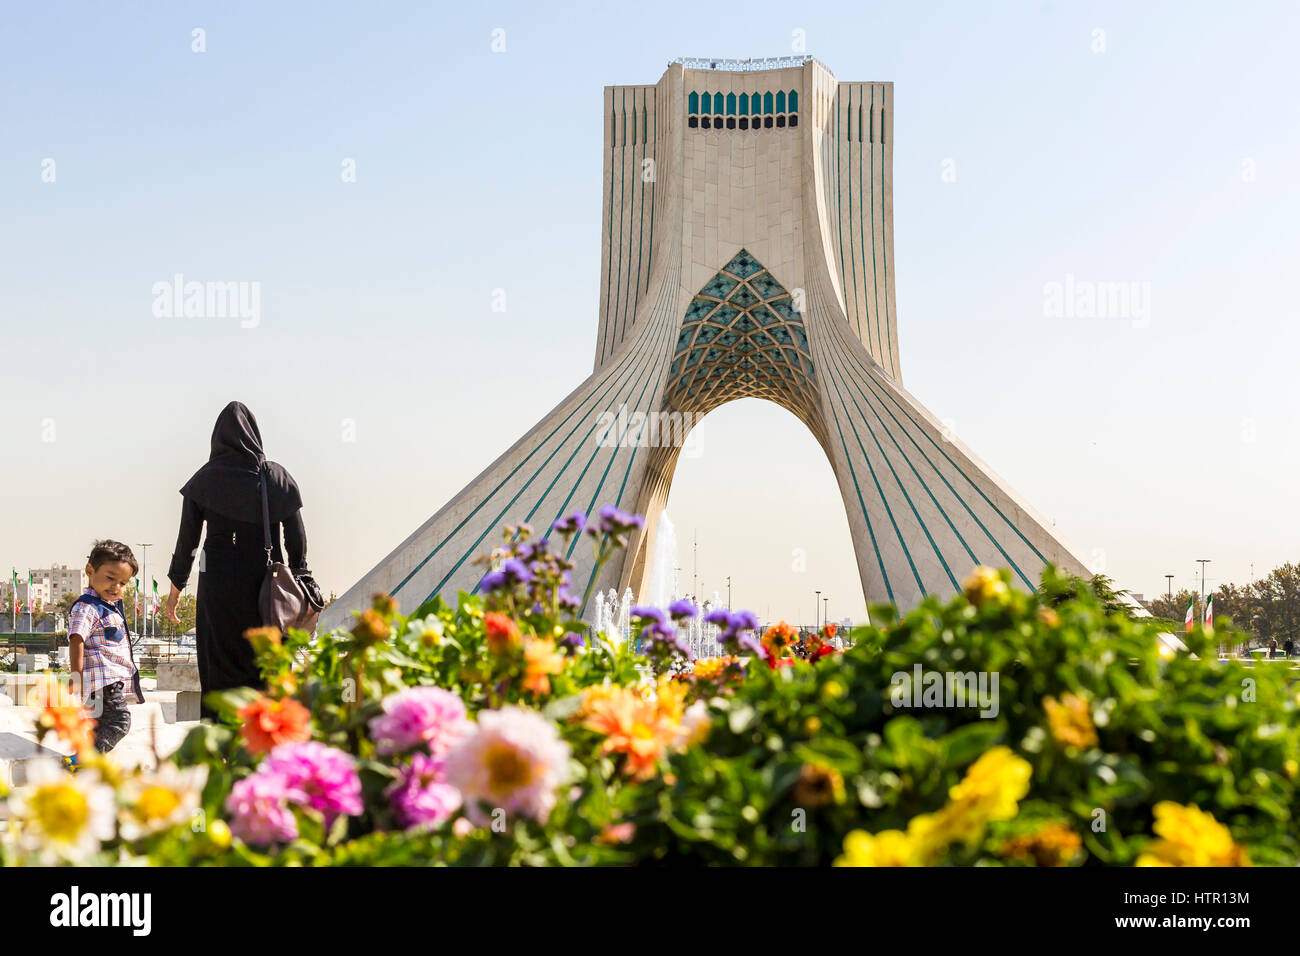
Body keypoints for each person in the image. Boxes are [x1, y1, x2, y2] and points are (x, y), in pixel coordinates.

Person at [163, 401, 311, 720]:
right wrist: (299, 577)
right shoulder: (273, 476)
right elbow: (296, 536)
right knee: (266, 662)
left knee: (218, 663)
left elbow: (187, 542)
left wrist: (175, 591)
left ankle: (220, 738)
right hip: (265, 585)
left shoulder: (204, 480)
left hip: (217, 583)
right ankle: (263, 736)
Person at [67, 540, 146, 756]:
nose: (116, 587)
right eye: (110, 578)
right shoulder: (88, 607)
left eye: (123, 583)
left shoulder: (107, 607)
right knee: (120, 721)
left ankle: (82, 762)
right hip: (103, 683)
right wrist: (76, 676)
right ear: (90, 570)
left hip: (106, 683)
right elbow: (76, 639)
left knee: (97, 725)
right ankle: (84, 760)